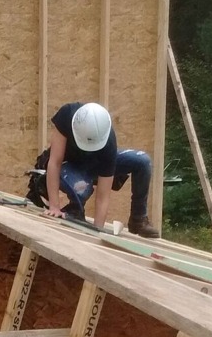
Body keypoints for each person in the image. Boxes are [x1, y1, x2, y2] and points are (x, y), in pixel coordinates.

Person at [26, 102, 160, 238]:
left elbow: (103, 196)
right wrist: (54, 207)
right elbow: (55, 162)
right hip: (69, 164)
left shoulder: (108, 141)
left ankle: (138, 219)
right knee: (82, 187)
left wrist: (97, 230)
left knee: (143, 161)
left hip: (94, 164)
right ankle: (75, 210)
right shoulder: (67, 115)